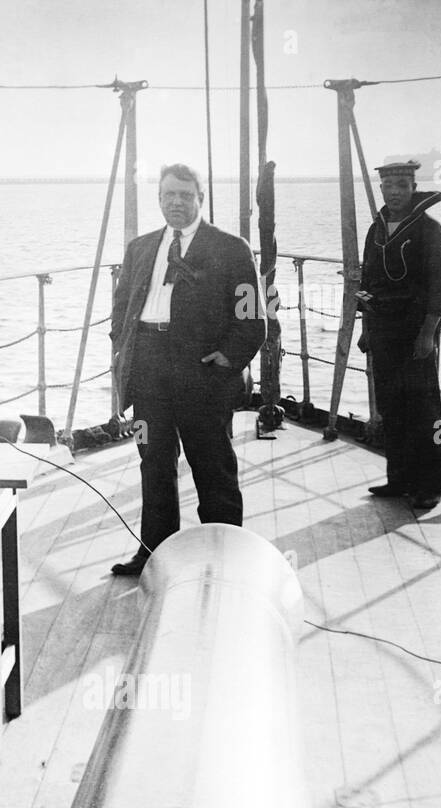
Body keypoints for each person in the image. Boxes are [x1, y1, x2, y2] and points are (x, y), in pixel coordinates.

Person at [108, 163, 267, 576]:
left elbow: (250, 318)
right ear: (158, 199)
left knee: (211, 463)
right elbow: (122, 306)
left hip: (202, 374)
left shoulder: (231, 249)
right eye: (167, 196)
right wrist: (122, 349)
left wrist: (227, 359)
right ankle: (154, 554)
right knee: (153, 462)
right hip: (149, 371)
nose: (175, 203)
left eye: (184, 195)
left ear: (201, 198)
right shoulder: (141, 248)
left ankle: (225, 555)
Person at [356, 160, 441, 511]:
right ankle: (399, 478)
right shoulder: (377, 230)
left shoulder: (429, 230)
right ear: (381, 189)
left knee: (426, 411)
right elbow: (368, 282)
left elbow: (440, 286)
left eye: (401, 185)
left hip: (416, 333)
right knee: (392, 407)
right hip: (383, 331)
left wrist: (428, 334)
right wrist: (367, 328)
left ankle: (431, 484)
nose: (394, 191)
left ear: (413, 188)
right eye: (389, 185)